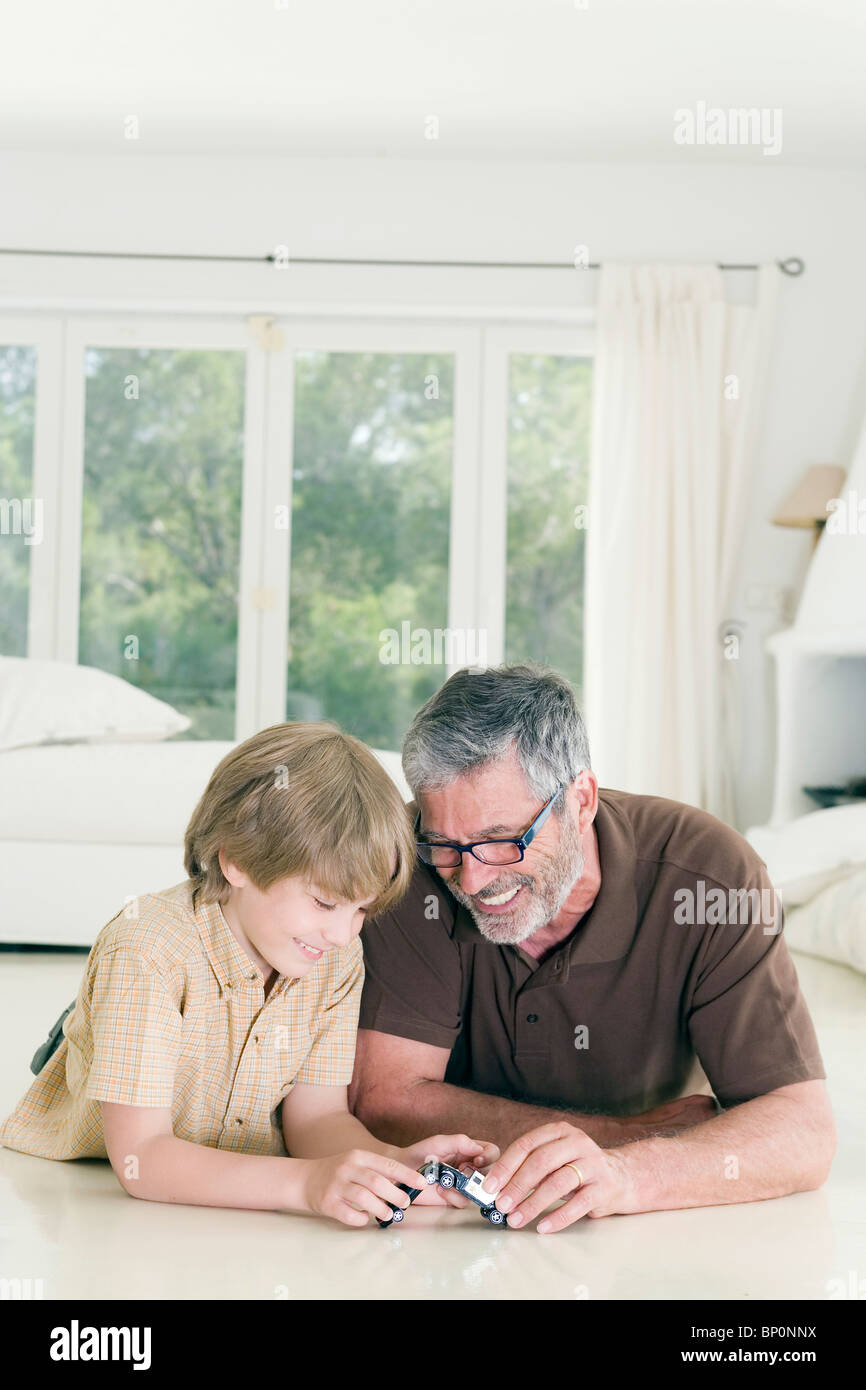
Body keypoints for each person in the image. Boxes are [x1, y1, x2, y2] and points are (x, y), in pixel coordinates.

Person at [350, 664, 836, 1233]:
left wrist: (628, 1173)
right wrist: (622, 1137)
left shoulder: (711, 879)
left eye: (500, 842)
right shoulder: (412, 866)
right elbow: (386, 1099)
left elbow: (804, 1131)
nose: (473, 881)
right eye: (447, 846)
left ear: (581, 801)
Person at [0, 722, 496, 1226]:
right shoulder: (147, 948)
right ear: (236, 860)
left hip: (231, 1172)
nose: (344, 933)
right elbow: (142, 1161)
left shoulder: (336, 959)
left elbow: (317, 1120)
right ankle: (75, 1035)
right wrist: (306, 1185)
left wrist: (390, 1165)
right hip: (105, 1175)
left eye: (362, 910)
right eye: (324, 901)